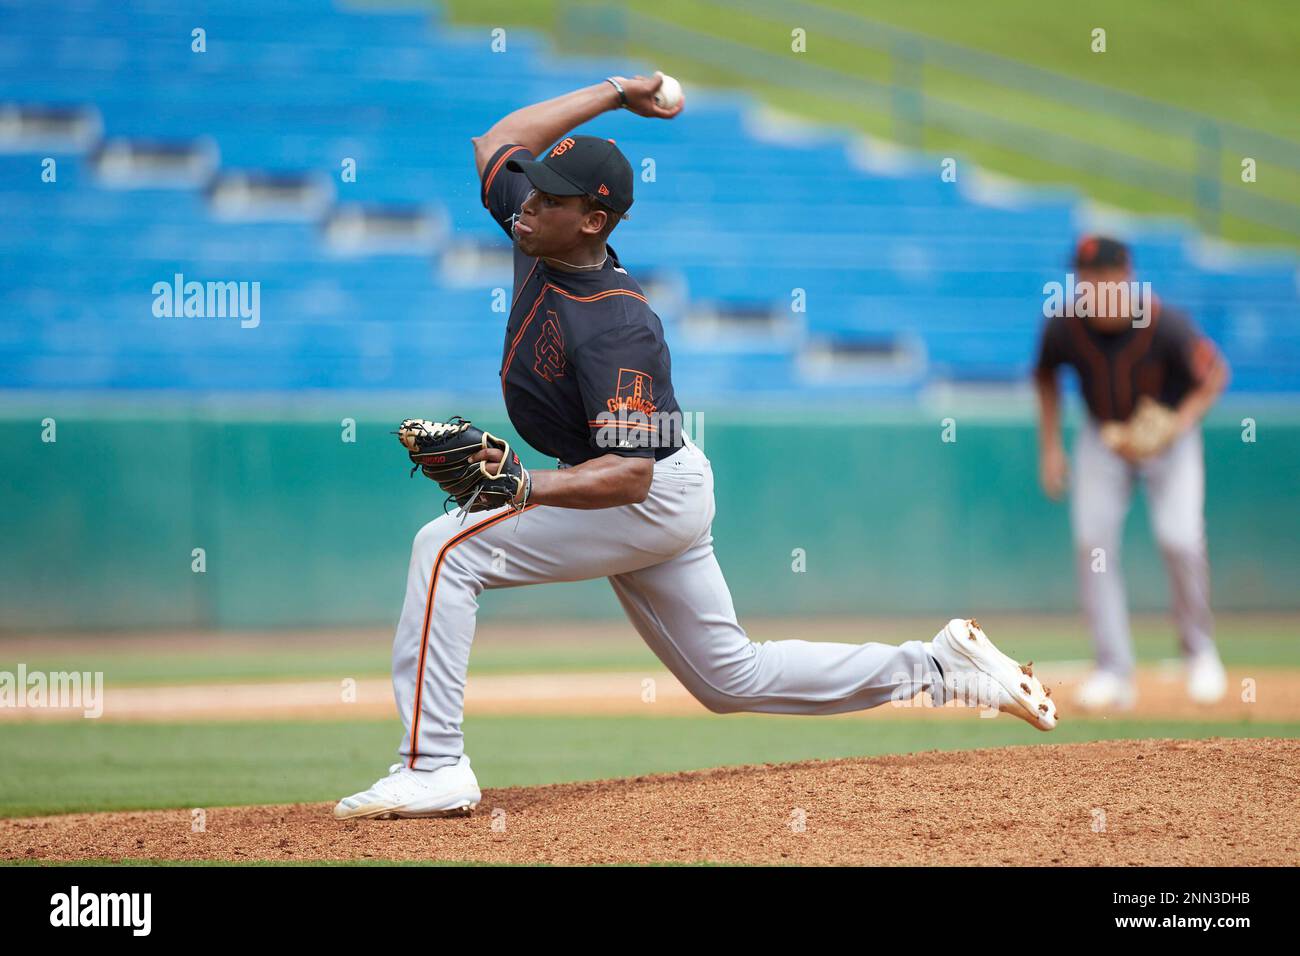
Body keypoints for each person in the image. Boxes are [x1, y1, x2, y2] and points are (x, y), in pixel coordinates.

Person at [333, 73, 1057, 821]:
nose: (529, 203)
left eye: (551, 197)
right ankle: (942, 666)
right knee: (729, 680)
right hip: (633, 484)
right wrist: (615, 92)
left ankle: (433, 765)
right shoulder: (536, 226)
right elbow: (497, 142)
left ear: (594, 220)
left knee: (446, 549)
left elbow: (630, 479)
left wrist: (525, 486)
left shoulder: (618, 327)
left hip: (640, 492)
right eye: (535, 191)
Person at [1035, 236, 1230, 711]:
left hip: (1170, 444)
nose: (1091, 284)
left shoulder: (1164, 323)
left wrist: (1177, 423)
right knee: (1093, 544)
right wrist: (1050, 449)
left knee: (1180, 538)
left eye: (1101, 274)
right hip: (1103, 440)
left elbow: (1215, 374)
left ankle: (1200, 652)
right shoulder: (1064, 324)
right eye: (1084, 275)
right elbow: (1045, 378)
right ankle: (1113, 669)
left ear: (1125, 276)